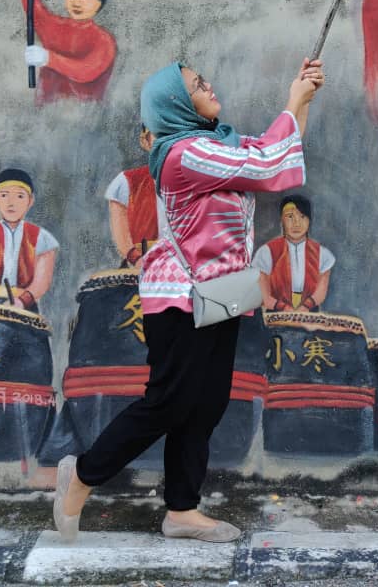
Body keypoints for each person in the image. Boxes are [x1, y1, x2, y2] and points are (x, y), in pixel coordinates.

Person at [53, 57, 324, 544]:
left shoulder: (218, 143)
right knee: (169, 401)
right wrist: (292, 102)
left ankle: (181, 509)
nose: (209, 87)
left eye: (203, 80)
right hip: (177, 294)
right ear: (177, 105)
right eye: (199, 85)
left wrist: (301, 99)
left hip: (218, 291)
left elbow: (273, 153)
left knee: (207, 403)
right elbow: (266, 167)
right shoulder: (183, 153)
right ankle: (82, 476)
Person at [17, 0, 117, 104]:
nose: (76, 2)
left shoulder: (103, 41)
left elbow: (86, 71)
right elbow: (32, 5)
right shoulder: (54, 26)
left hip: (84, 118)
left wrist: (48, 58)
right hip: (45, 113)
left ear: (99, 3)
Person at [0, 168, 59, 312]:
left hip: (25, 305)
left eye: (20, 196)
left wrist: (21, 302)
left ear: (30, 201)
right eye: (4, 195)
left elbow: (42, 281)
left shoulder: (43, 238)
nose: (11, 203)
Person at [254, 195, 335, 311]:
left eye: (302, 216)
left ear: (309, 220)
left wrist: (307, 305)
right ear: (282, 220)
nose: (296, 223)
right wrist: (283, 307)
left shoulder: (323, 254)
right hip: (275, 312)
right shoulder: (266, 252)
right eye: (290, 216)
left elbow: (321, 292)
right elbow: (263, 294)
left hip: (309, 313)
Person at [105, 126, 161, 268]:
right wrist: (137, 260)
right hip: (140, 268)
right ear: (146, 141)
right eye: (160, 135)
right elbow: (122, 238)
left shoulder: (196, 183)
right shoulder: (127, 182)